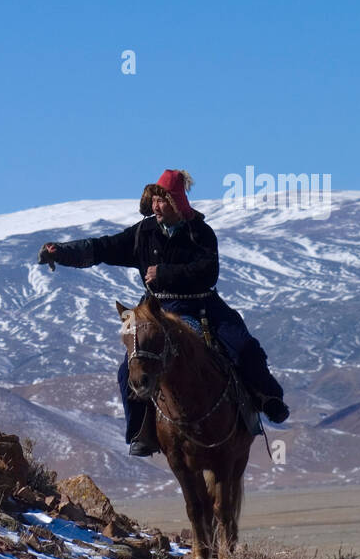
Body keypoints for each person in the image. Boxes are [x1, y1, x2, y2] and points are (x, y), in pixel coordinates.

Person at [37, 169, 289, 457]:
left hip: (202, 303)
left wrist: (164, 273)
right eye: (154, 201)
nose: (156, 207)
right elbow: (103, 247)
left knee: (243, 347)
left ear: (177, 202)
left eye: (162, 201)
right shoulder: (143, 233)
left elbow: (208, 272)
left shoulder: (200, 233)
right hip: (156, 308)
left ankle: (268, 400)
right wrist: (62, 252)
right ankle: (140, 432)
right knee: (127, 369)